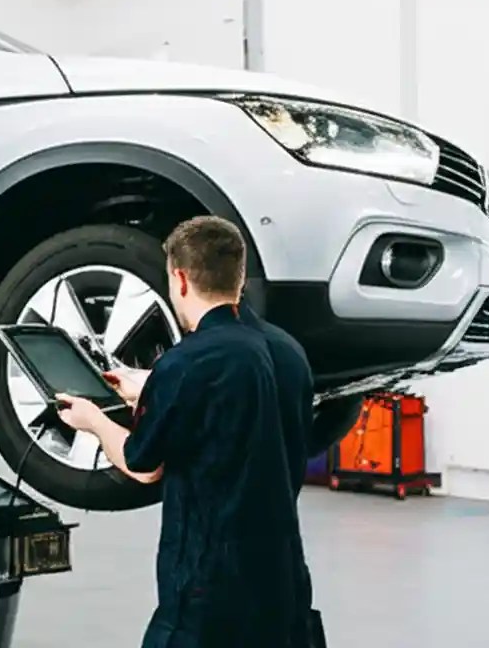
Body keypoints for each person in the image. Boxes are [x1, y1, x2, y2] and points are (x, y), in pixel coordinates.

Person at [56, 216, 314, 647]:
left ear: (178, 278)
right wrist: (149, 392)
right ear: (240, 275)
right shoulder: (287, 353)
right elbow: (242, 424)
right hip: (280, 574)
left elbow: (144, 465)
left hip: (210, 582)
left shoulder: (186, 363)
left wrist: (95, 421)